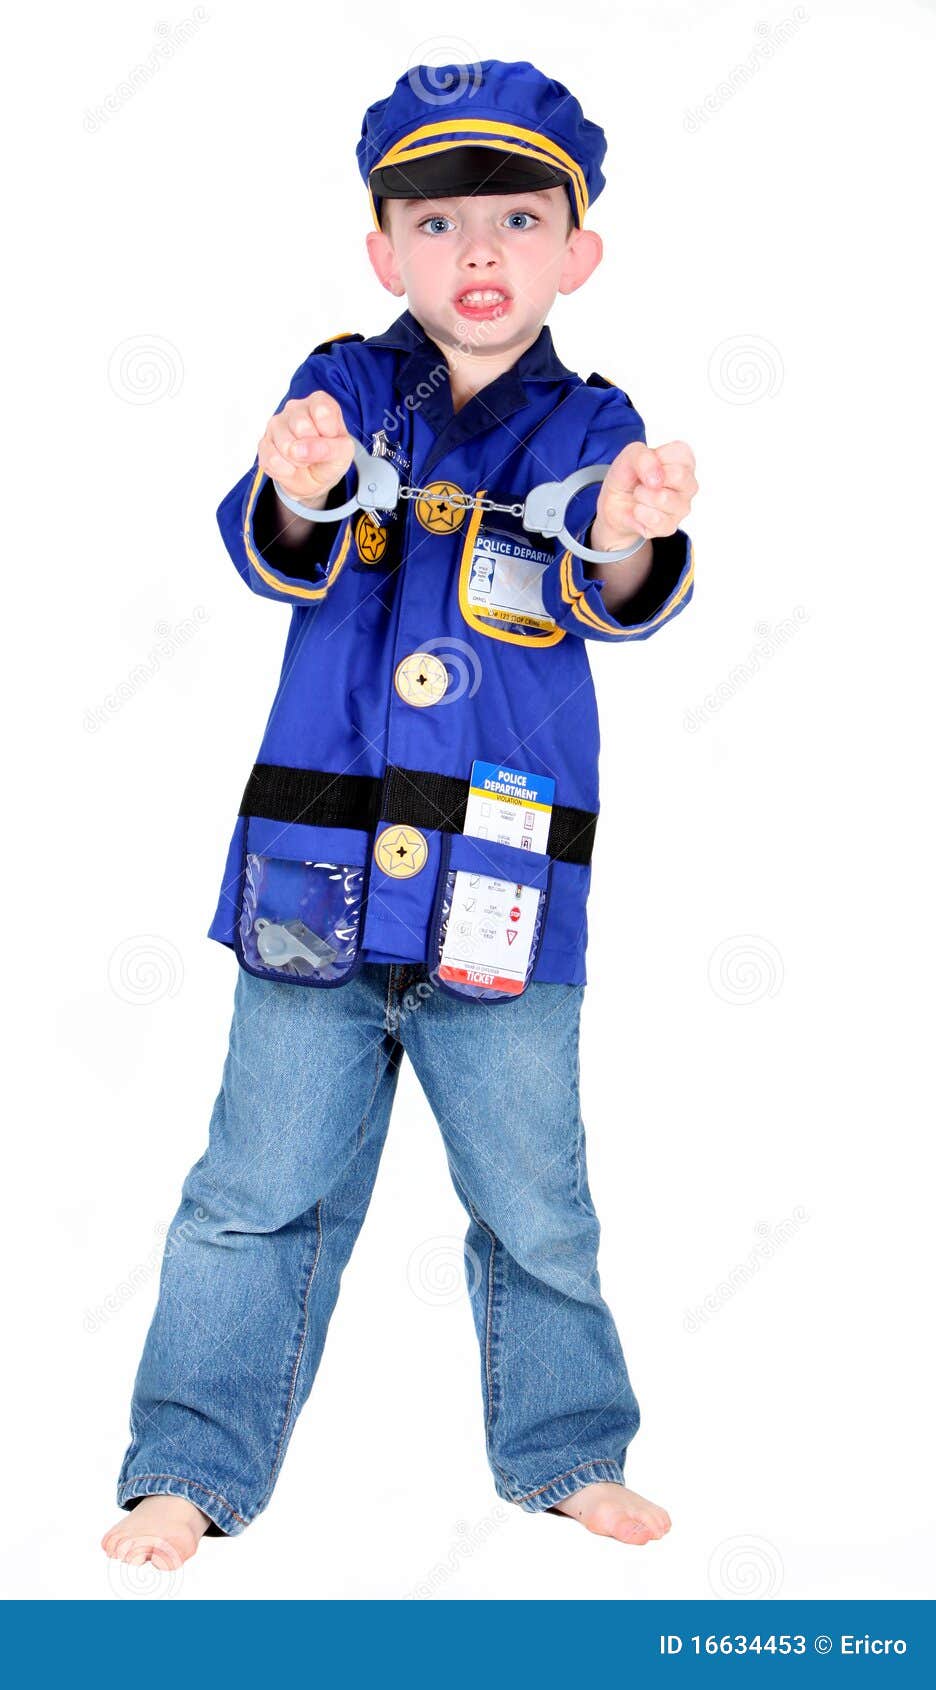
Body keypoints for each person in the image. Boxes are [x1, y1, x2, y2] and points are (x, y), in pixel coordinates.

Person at [102, 58, 697, 1573]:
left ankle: (568, 1450)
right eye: (435, 225)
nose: (478, 254)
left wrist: (626, 531)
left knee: (538, 1201)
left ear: (580, 251)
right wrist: (299, 482)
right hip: (317, 876)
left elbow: (591, 551)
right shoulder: (352, 387)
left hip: (504, 886)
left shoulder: (591, 423)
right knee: (253, 1191)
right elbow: (290, 531)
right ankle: (188, 1464)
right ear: (384, 255)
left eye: (516, 218)